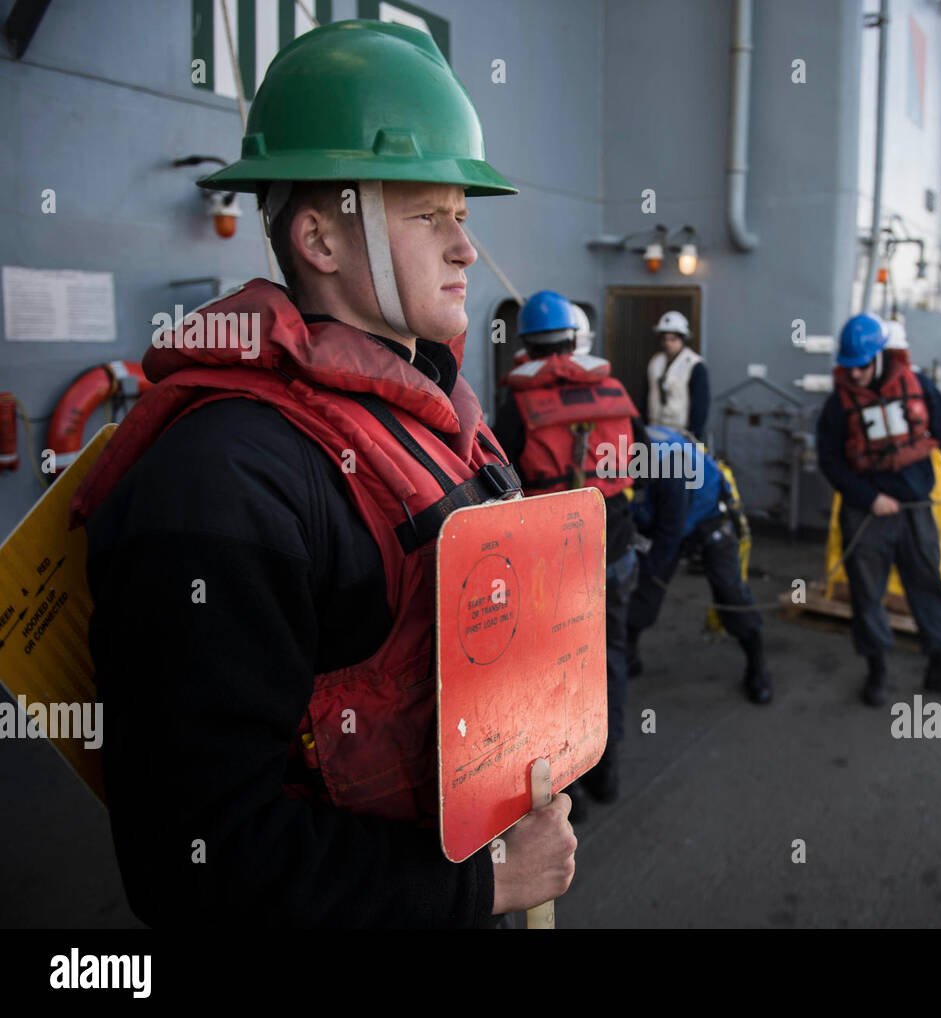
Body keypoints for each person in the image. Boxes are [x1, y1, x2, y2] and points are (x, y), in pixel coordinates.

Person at [68, 20, 576, 928]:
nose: (465, 247)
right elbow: (199, 861)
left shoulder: (430, 409)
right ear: (320, 239)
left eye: (464, 215)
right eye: (429, 215)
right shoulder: (223, 478)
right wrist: (485, 883)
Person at [494, 290, 644, 818]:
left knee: (553, 670)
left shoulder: (517, 401)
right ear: (577, 339)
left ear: (527, 342)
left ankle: (568, 786)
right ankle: (610, 768)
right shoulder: (615, 390)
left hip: (549, 568)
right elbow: (639, 461)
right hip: (615, 550)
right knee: (610, 660)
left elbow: (497, 478)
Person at [816, 313, 941, 707]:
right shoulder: (839, 404)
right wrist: (868, 497)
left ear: (881, 355)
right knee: (867, 593)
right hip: (866, 513)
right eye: (849, 368)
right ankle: (877, 670)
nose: (854, 376)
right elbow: (830, 460)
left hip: (916, 508)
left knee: (928, 586)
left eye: (862, 367)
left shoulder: (917, 387)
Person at [626, 426, 773, 705]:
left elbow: (668, 535)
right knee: (639, 591)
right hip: (656, 514)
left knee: (729, 590)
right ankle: (629, 654)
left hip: (706, 515)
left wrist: (649, 569)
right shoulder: (609, 456)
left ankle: (758, 666)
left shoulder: (668, 467)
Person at [646, 310, 709, 439]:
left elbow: (700, 405)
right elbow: (645, 394)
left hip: (680, 433)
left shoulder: (694, 365)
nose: (668, 343)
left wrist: (694, 435)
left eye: (673, 339)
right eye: (665, 339)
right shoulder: (655, 362)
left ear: (682, 339)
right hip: (654, 429)